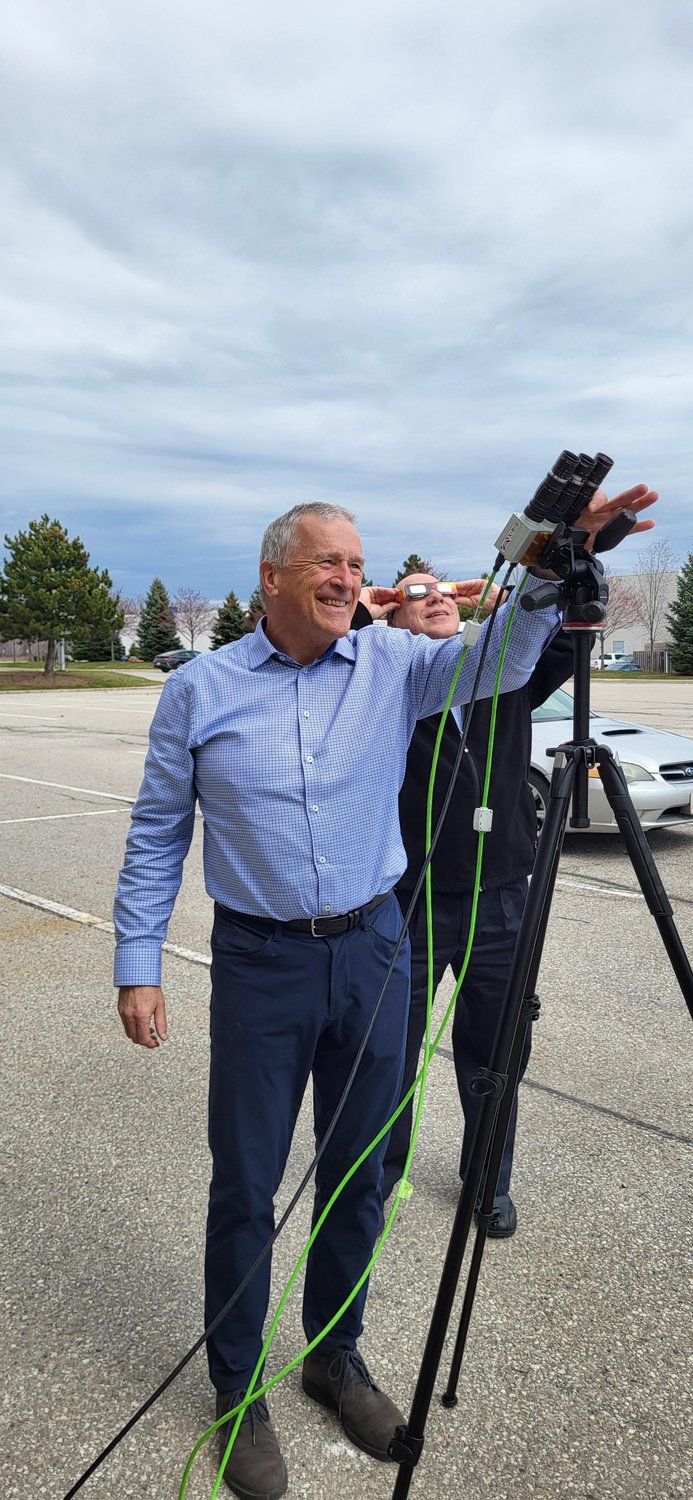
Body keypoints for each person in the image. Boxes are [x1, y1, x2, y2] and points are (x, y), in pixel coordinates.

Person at [113, 491, 655, 1500]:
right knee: (246, 1184)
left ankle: (334, 1354)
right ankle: (238, 1393)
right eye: (326, 561)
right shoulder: (202, 690)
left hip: (375, 947)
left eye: (356, 566)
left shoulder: (394, 667)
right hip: (262, 963)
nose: (347, 579)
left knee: (363, 1166)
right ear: (272, 576)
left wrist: (547, 570)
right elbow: (155, 833)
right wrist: (137, 960)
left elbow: (495, 659)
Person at [354, 578, 575, 1236]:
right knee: (390, 1050)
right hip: (409, 902)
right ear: (392, 612)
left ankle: (486, 1182)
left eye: (446, 589)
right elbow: (335, 664)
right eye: (416, 590)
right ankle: (381, 1174)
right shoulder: (382, 685)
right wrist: (365, 621)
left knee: (496, 1049)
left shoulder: (504, 678)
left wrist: (546, 580)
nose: (437, 595)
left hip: (502, 896)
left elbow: (556, 639)